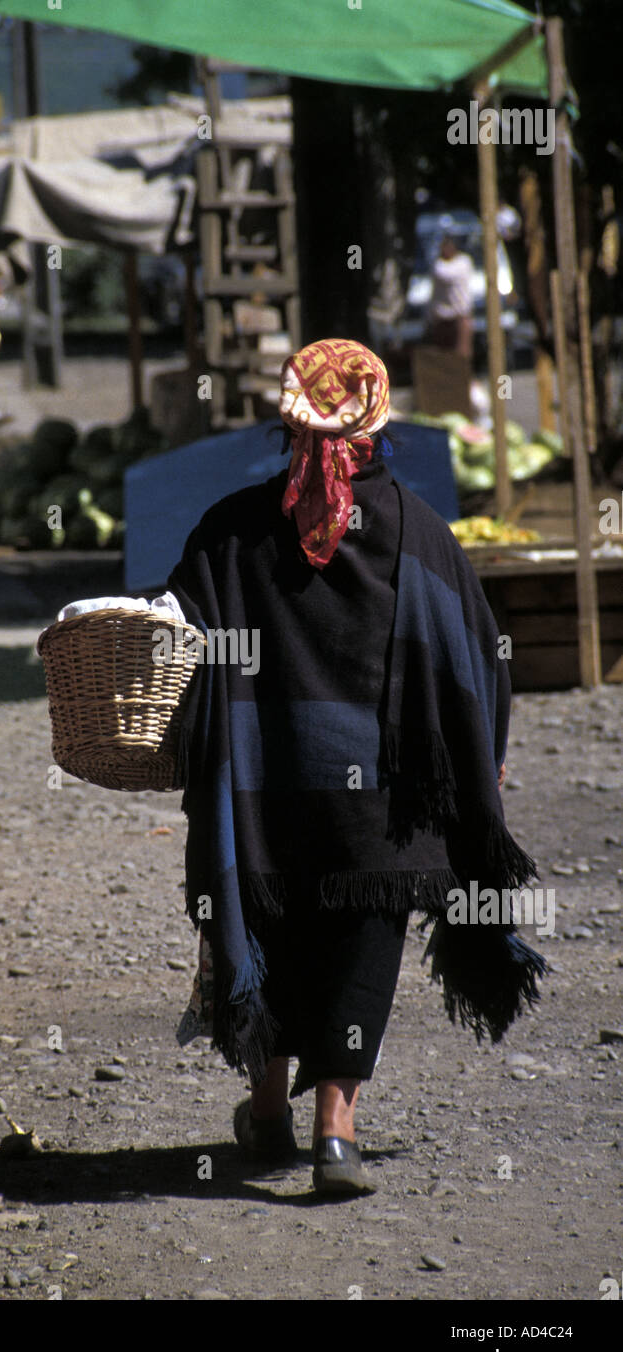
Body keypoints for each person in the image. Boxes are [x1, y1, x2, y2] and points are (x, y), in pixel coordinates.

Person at [168, 338, 547, 1196]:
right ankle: (333, 1134)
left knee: (269, 929)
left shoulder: (227, 534)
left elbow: (168, 640)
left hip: (264, 795)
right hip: (384, 806)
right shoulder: (423, 535)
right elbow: (481, 665)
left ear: (286, 418)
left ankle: (266, 1110)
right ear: (381, 425)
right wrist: (479, 771)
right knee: (359, 944)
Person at [428, 234, 474, 359]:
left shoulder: (464, 262)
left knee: (462, 353)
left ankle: (464, 377)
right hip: (442, 316)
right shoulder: (438, 264)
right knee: (442, 355)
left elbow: (451, 275)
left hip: (460, 315)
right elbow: (442, 274)